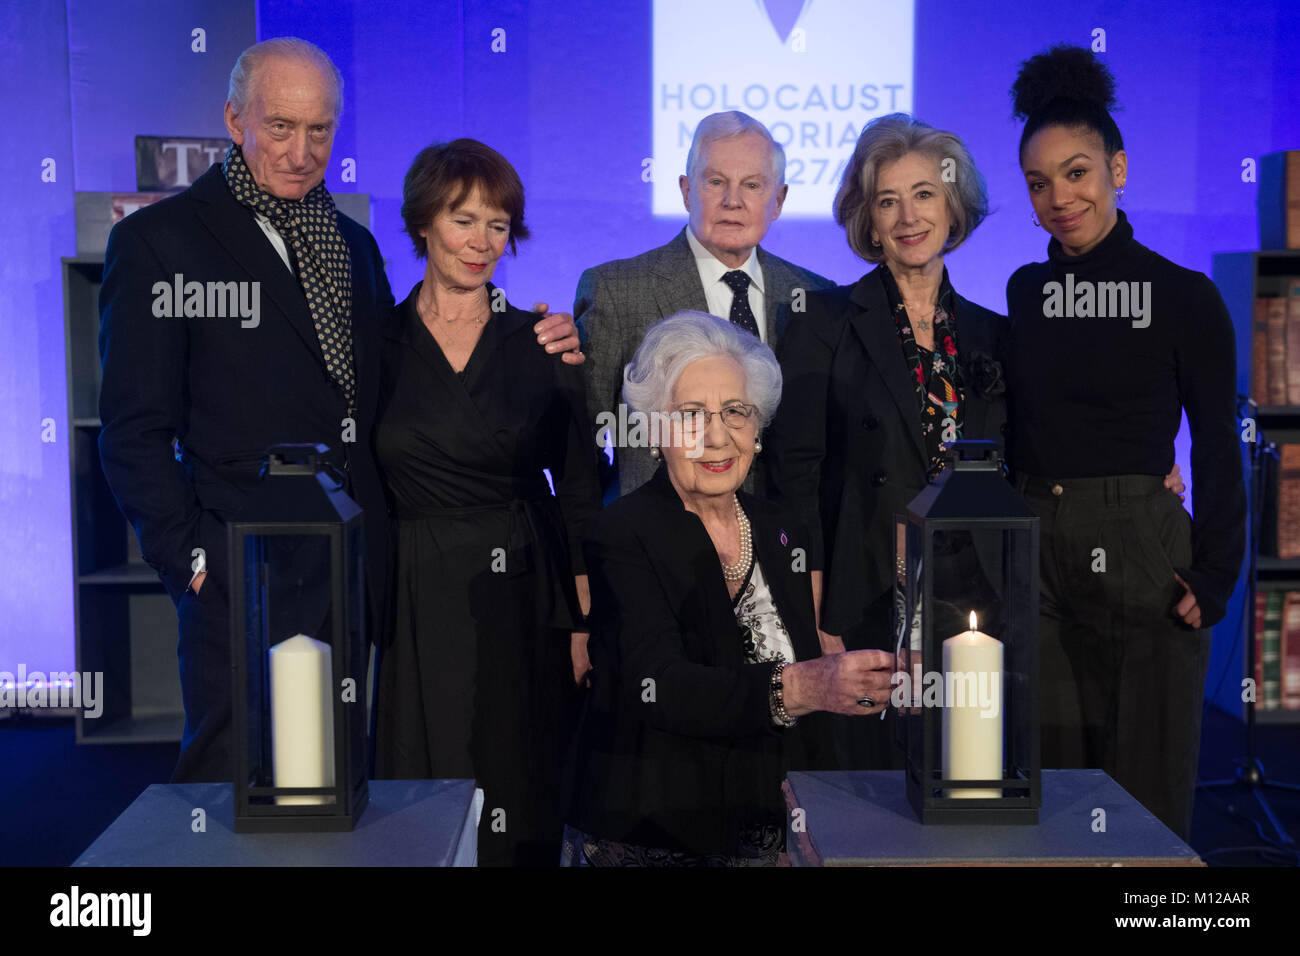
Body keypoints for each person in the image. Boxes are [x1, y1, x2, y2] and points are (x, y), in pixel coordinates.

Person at [97, 37, 582, 785]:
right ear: (235, 120)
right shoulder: (157, 244)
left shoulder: (351, 245)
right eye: (280, 127)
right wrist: (192, 559)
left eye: (319, 130)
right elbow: (132, 431)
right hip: (241, 567)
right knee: (234, 776)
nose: (300, 151)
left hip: (354, 567)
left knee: (329, 787)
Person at [1005, 45, 1245, 839]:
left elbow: (1215, 446)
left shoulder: (1184, 296)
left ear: (1118, 168)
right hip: (1038, 547)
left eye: (1076, 173)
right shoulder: (1026, 293)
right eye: (1039, 184)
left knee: (1143, 797)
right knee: (1048, 789)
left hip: (1143, 546)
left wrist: (1215, 573)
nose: (1059, 198)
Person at [567, 311, 893, 866]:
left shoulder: (783, 528)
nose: (717, 437)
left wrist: (880, 685)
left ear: (758, 428)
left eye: (736, 412)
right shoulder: (621, 533)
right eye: (691, 415)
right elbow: (660, 685)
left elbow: (811, 679)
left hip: (774, 826)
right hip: (656, 831)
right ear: (654, 431)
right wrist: (802, 687)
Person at [371, 139, 601, 867]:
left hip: (523, 594)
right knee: (424, 791)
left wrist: (584, 619)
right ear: (423, 224)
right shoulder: (378, 343)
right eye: (463, 219)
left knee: (519, 785)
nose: (481, 242)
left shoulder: (541, 342)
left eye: (497, 225)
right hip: (417, 591)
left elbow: (580, 488)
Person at [764, 114, 1009, 770]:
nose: (908, 216)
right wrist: (817, 619)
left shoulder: (995, 335)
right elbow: (796, 481)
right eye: (887, 200)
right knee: (865, 796)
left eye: (925, 193)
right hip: (862, 593)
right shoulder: (823, 324)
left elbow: (1024, 465)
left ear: (954, 207)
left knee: (965, 783)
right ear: (867, 220)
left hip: (972, 599)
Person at [575, 111, 834, 498]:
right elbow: (581, 443)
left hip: (780, 543)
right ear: (685, 190)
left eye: (752, 185)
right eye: (716, 182)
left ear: (778, 200)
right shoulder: (616, 289)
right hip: (656, 541)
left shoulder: (815, 296)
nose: (733, 201)